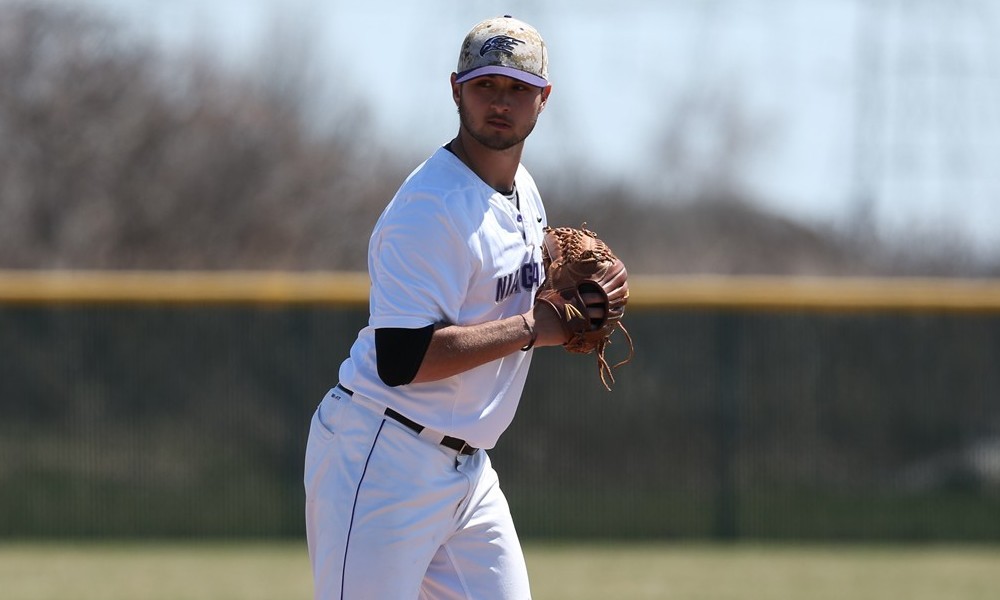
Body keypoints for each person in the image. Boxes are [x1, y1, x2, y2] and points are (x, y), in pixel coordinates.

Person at [304, 14, 573, 599]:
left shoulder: (523, 189)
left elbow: (511, 267)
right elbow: (402, 358)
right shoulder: (428, 207)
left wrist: (569, 273)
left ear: (542, 99)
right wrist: (535, 328)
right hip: (382, 458)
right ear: (456, 90)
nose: (500, 102)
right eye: (485, 86)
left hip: (467, 471)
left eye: (517, 88)